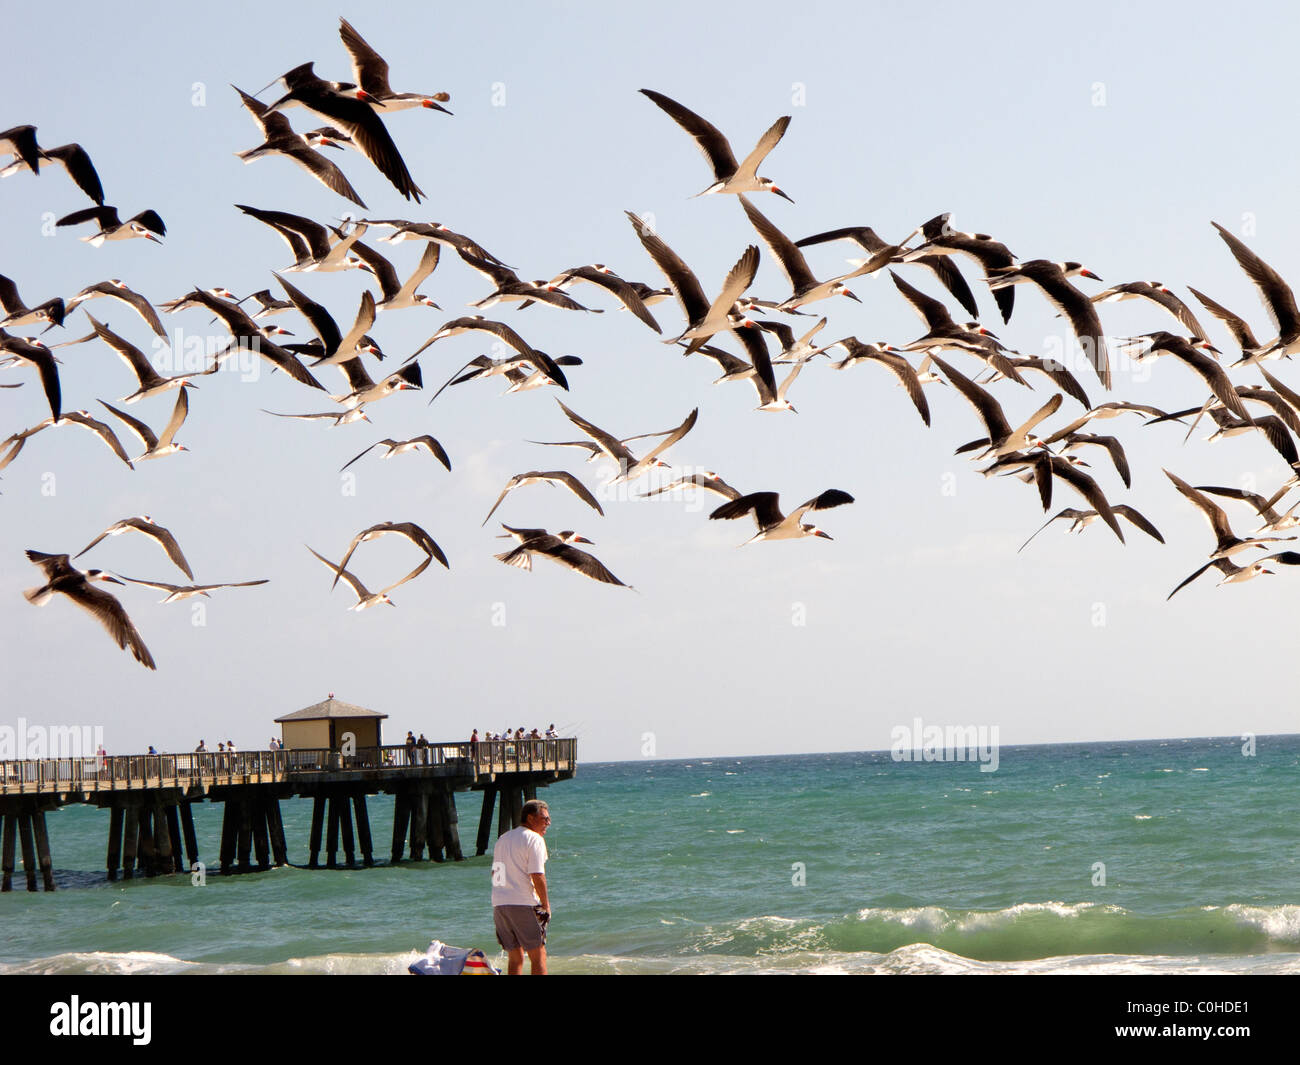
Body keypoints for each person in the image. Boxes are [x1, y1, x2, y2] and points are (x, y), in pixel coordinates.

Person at [491, 799, 551, 975]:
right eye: (545, 818)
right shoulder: (534, 839)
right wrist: (546, 905)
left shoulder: (503, 838)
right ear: (531, 818)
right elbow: (537, 874)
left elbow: (496, 874)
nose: (548, 822)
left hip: (500, 905)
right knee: (538, 956)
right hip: (523, 904)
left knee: (516, 957)